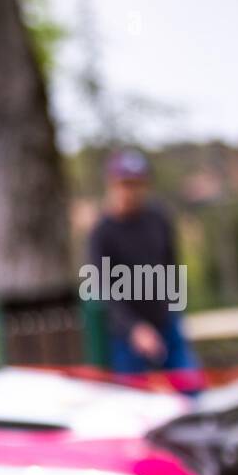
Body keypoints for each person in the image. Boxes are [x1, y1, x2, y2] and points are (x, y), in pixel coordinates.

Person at [87, 149, 198, 378]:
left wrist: (174, 309)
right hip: (125, 336)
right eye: (125, 184)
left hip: (167, 323)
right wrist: (135, 329)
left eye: (137, 183)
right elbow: (104, 291)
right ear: (112, 184)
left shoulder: (159, 219)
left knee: (190, 388)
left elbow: (171, 266)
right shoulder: (101, 233)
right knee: (134, 400)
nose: (131, 191)